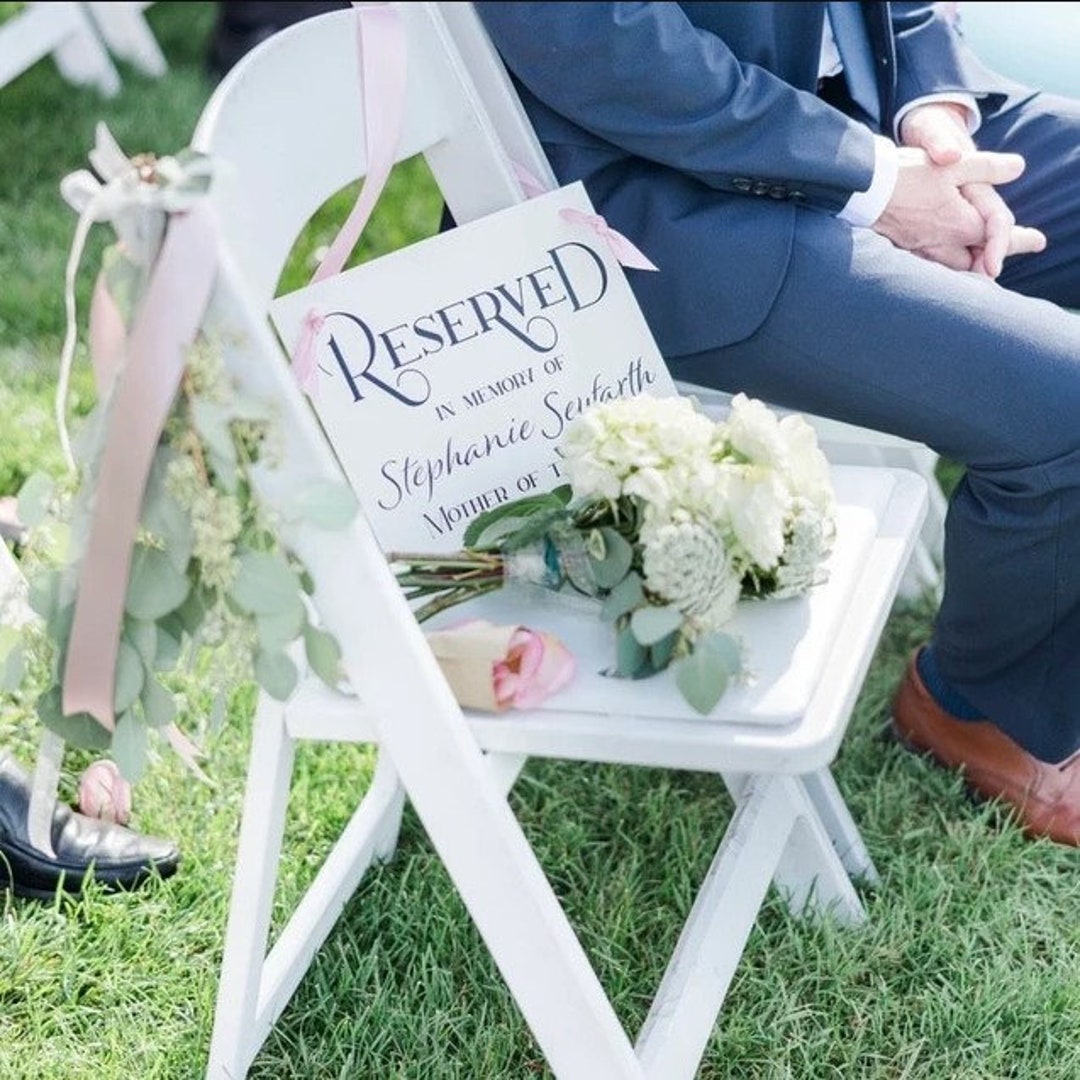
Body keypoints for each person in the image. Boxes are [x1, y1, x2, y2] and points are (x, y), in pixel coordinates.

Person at [472, 2, 1080, 845]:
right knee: (1066, 399)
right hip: (654, 188)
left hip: (868, 103)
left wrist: (934, 123)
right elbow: (599, 39)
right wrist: (877, 183)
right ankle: (983, 709)